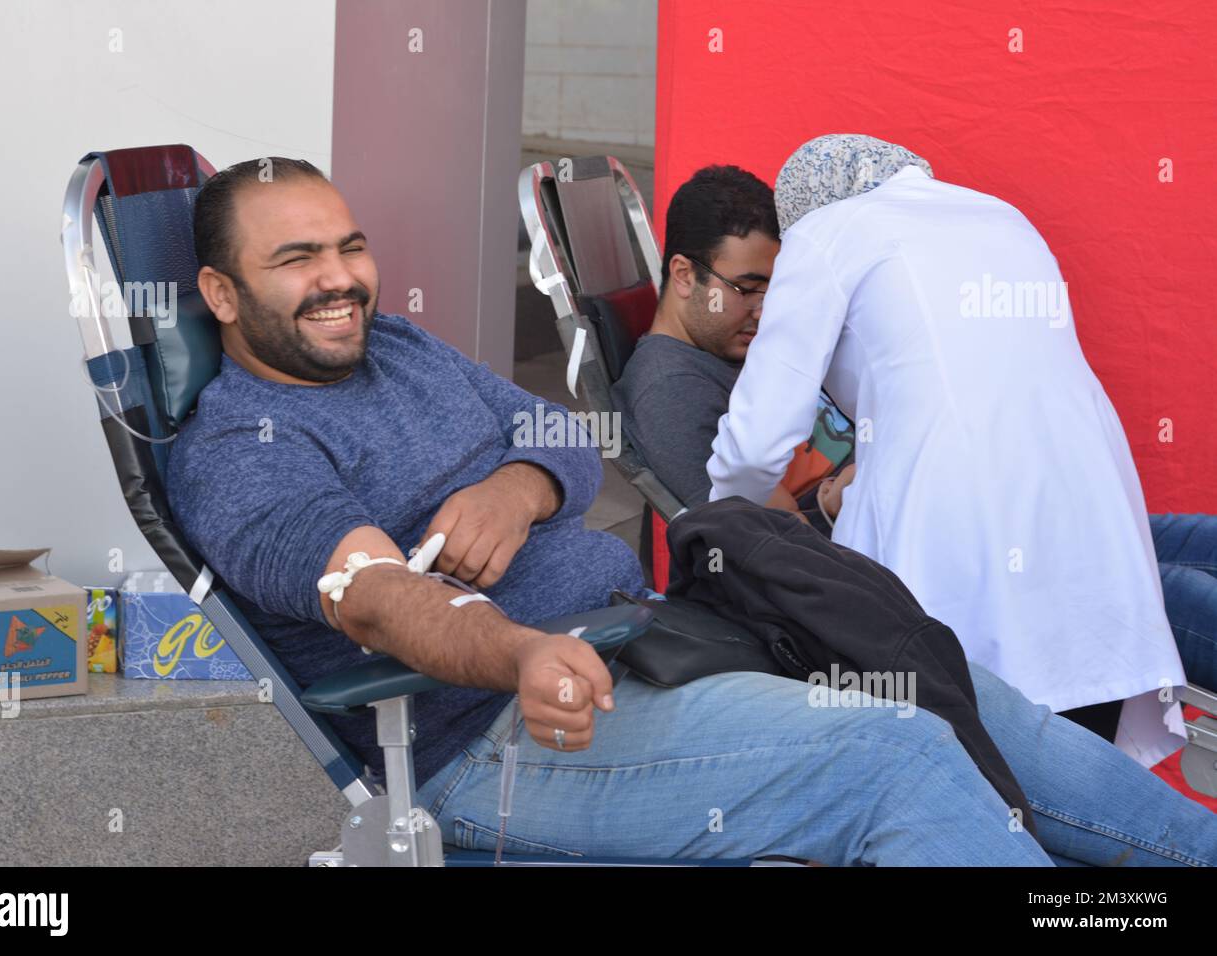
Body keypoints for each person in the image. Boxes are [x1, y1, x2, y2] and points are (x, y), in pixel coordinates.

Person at [165, 156, 1217, 865]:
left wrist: (515, 485)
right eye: (295, 259)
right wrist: (520, 650)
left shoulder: (396, 346)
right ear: (220, 295)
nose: (339, 278)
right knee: (890, 753)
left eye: (347, 245)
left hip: (653, 640)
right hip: (500, 731)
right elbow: (377, 598)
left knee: (955, 685)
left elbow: (575, 439)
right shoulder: (240, 449)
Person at [614, 163, 1217, 743]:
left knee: (1160, 538)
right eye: (746, 289)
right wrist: (830, 508)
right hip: (891, 564)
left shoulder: (734, 354)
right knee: (1134, 576)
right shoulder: (672, 388)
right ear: (685, 275)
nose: (765, 310)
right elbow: (758, 539)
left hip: (937, 519)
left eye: (774, 289)